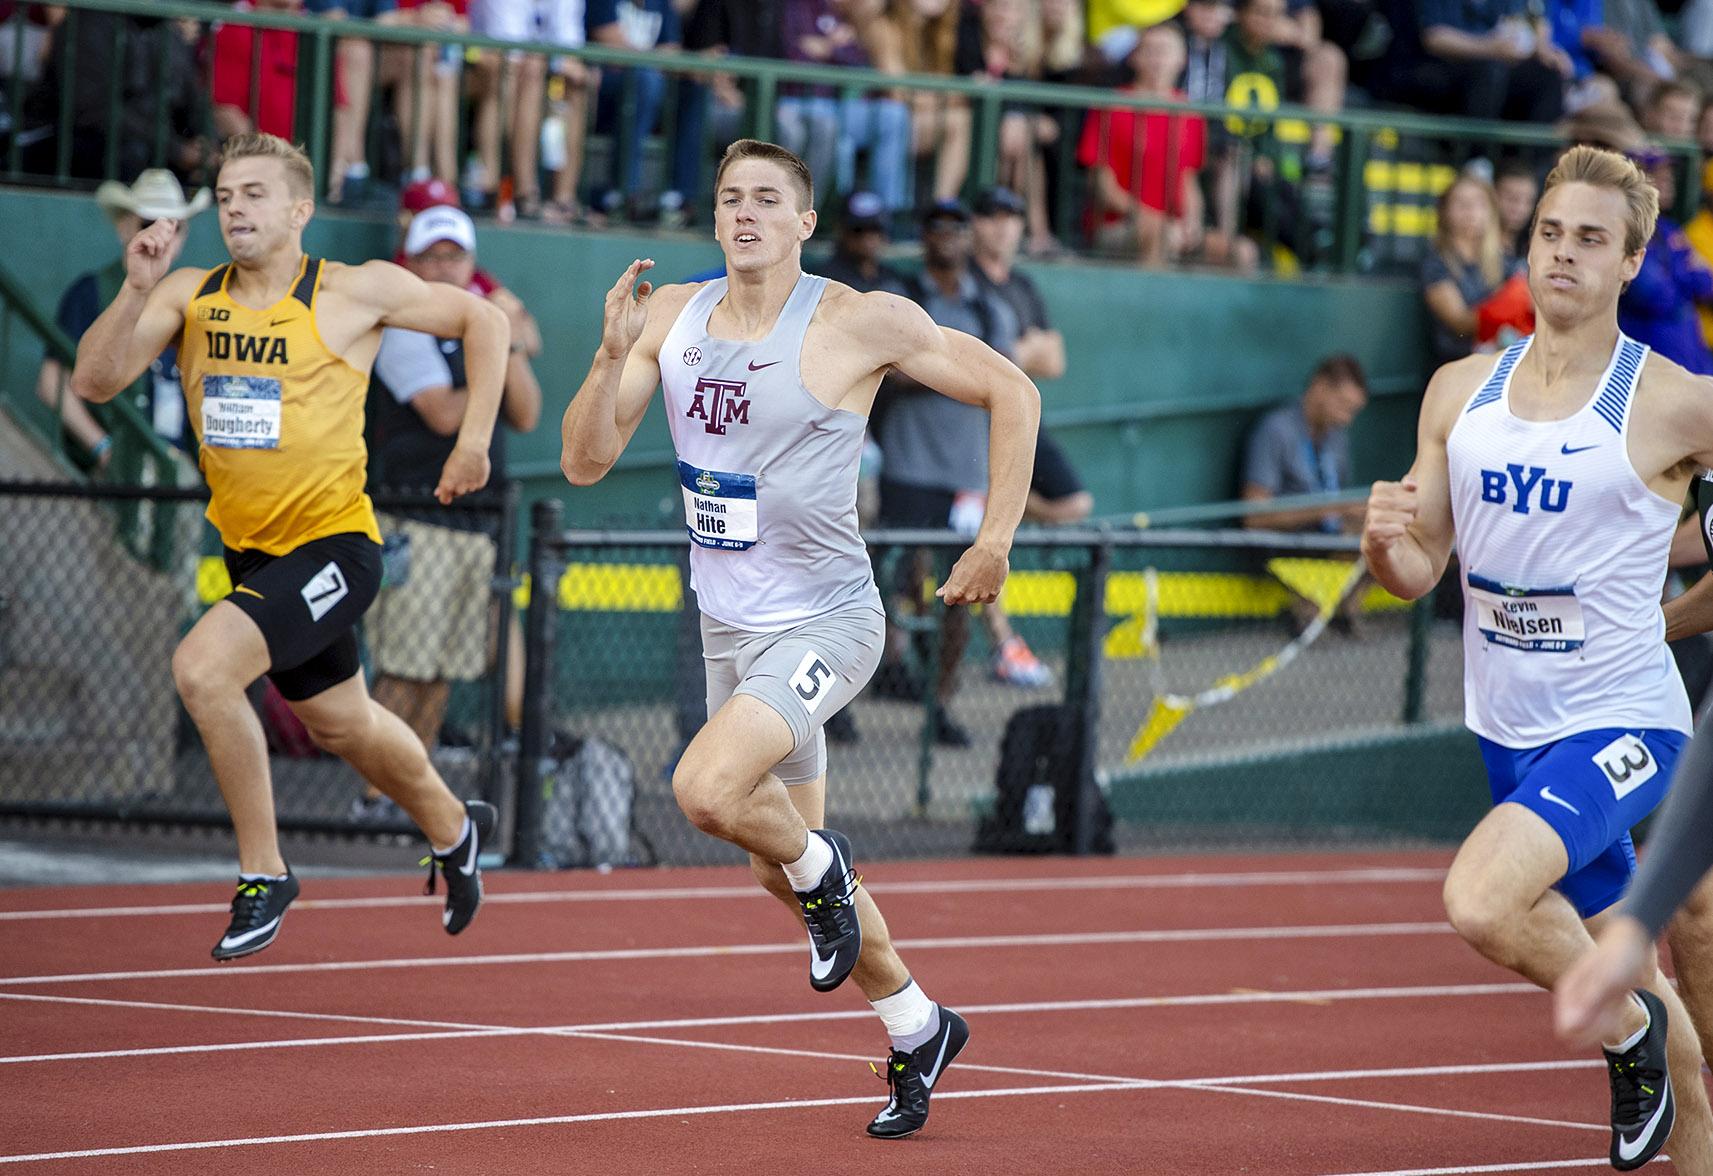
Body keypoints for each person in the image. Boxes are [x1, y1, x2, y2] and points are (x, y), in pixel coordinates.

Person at [560, 138, 1039, 1137]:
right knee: (771, 869)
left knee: (704, 791)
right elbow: (585, 462)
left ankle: (829, 870)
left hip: (830, 620)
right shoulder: (669, 316)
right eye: (730, 196)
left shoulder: (858, 321)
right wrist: (610, 355)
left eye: (767, 199)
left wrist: (994, 541)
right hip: (729, 627)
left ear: (803, 222)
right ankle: (919, 1025)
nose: (745, 213)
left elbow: (1015, 392)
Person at [67, 132, 510, 960]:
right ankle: (456, 829)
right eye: (227, 195)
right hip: (254, 555)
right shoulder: (190, 296)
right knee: (344, 723)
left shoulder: (349, 290)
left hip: (335, 547)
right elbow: (94, 381)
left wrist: (472, 442)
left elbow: (481, 319)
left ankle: (264, 872)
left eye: (255, 194)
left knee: (202, 668)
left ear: (300, 210)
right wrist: (136, 289)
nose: (236, 207)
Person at [1361, 143, 1713, 1173]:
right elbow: (1420, 570)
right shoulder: (1460, 391)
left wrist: (1667, 624)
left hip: (1623, 720)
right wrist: (1386, 545)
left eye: (1592, 240)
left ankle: (1627, 1031)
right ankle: (1658, 1045)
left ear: (1631, 262)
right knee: (1689, 1069)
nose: (1565, 254)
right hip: (1508, 730)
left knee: (1480, 897)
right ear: (1526, 246)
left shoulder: (1675, 403)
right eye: (1551, 233)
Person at [363, 204, 540, 811]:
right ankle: (369, 793)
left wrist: (505, 343)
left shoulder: (480, 326)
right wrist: (500, 346)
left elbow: (526, 412)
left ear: (471, 265)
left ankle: (408, 791)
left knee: (439, 670)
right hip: (414, 515)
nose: (443, 266)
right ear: (411, 262)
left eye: (454, 256)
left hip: (477, 521)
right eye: (432, 255)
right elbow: (440, 412)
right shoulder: (400, 326)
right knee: (402, 666)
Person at [872, 196, 1022, 746]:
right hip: (908, 465)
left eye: (958, 227)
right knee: (889, 581)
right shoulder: (904, 299)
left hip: (965, 474)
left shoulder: (990, 308)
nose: (948, 237)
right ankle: (870, 682)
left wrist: (934, 369)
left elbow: (1005, 386)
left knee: (958, 598)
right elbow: (887, 368)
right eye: (937, 227)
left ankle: (941, 702)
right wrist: (960, 374)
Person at [970, 184, 1085, 686]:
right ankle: (1005, 645)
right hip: (969, 421)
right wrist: (1023, 349)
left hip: (1020, 417)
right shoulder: (966, 280)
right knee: (972, 525)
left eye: (1012, 216)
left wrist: (1016, 350)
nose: (1002, 226)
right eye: (992, 215)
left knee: (1075, 503)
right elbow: (978, 360)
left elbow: (1056, 360)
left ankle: (1008, 507)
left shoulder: (1023, 285)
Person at [37, 170, 207, 470]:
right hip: (116, 473)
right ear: (124, 226)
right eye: (148, 222)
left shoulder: (191, 298)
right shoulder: (90, 292)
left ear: (184, 234)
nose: (162, 234)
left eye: (174, 225)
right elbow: (52, 383)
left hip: (178, 468)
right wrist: (103, 447)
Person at [1243, 354, 1369, 633]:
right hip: (1284, 538)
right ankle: (1309, 609)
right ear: (1320, 387)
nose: (1345, 418)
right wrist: (1328, 510)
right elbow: (1254, 517)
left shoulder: (1337, 437)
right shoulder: (1276, 430)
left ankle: (1339, 609)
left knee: (1383, 530)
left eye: (1352, 411)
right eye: (1342, 406)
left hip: (1326, 533)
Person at [1421, 174, 1525, 365]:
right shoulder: (1436, 262)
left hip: (1502, 365)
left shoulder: (1506, 261)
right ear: (1444, 211)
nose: (1470, 211)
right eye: (1461, 203)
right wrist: (1512, 304)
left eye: (1479, 203)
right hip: (1455, 366)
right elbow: (1459, 321)